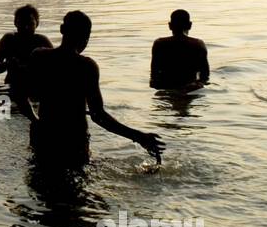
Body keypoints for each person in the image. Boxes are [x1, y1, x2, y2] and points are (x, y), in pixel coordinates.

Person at [26, 10, 165, 167]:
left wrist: (35, 120)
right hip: (74, 142)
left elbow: (22, 93)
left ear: (62, 30)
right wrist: (139, 136)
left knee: (40, 183)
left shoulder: (39, 56)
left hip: (44, 138)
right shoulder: (86, 66)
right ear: (86, 38)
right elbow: (98, 115)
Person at [0, 4, 52, 118]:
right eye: (22, 24)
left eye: (30, 24)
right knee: (2, 117)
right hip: (12, 85)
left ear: (37, 24)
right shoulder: (9, 39)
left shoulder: (41, 41)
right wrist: (8, 64)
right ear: (15, 23)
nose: (26, 28)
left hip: (35, 88)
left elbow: (58, 66)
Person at [150, 9, 210, 91]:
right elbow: (205, 76)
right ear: (190, 25)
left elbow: (154, 74)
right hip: (189, 88)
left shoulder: (160, 44)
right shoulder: (198, 44)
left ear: (170, 26)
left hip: (165, 86)